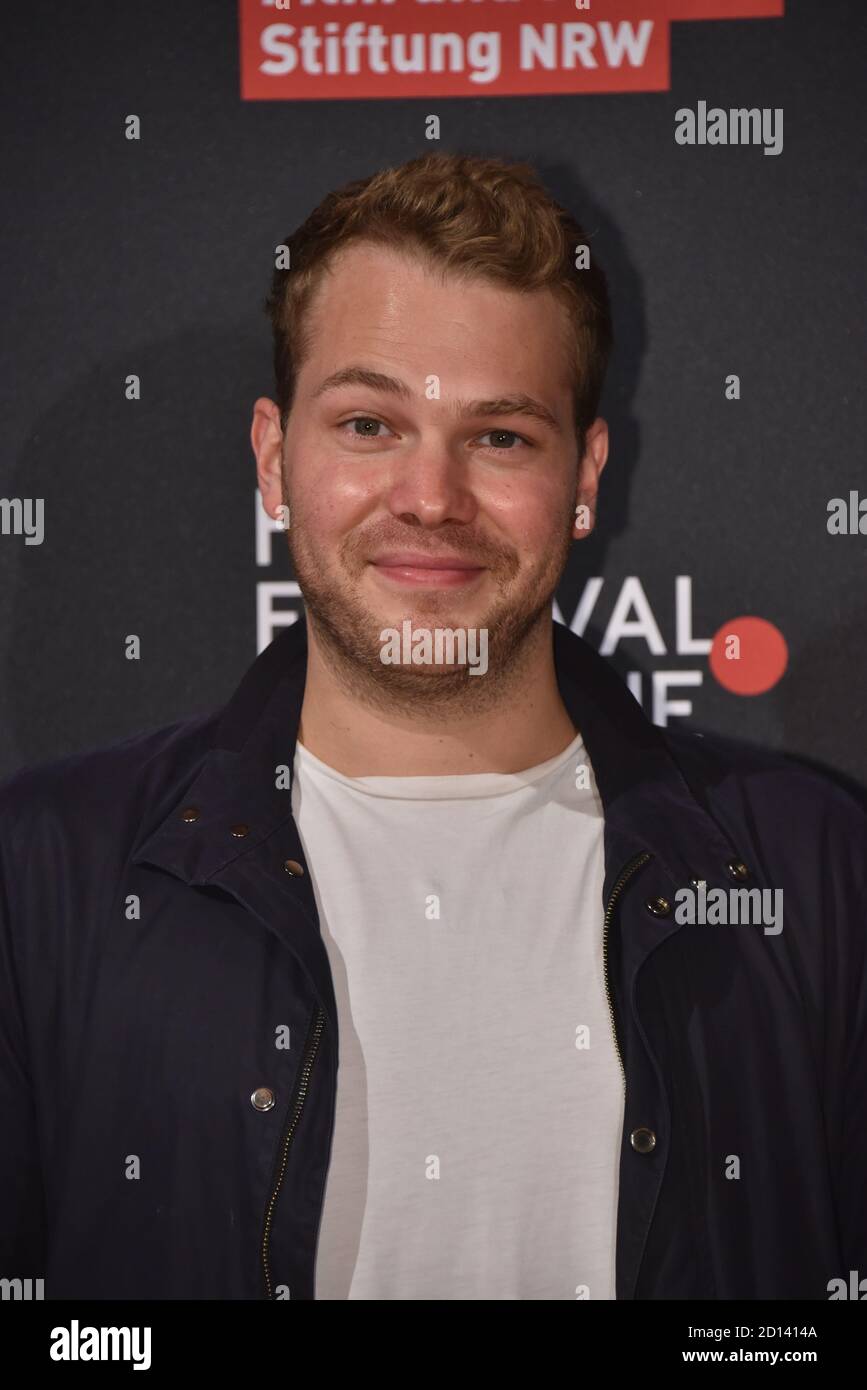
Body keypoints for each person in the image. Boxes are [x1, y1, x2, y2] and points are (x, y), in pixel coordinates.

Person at [1, 152, 865, 1301]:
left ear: (586, 475)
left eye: (500, 435)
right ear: (273, 458)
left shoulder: (810, 871)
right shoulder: (46, 872)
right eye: (369, 423)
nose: (430, 496)